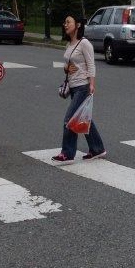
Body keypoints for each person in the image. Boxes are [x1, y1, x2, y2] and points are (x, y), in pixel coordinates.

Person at [52, 14, 106, 163]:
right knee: (84, 119)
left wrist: (92, 84)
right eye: (65, 22)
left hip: (83, 86)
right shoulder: (69, 44)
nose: (65, 24)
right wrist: (66, 68)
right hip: (73, 86)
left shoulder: (85, 43)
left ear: (78, 25)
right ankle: (97, 149)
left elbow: (91, 65)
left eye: (68, 22)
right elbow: (68, 66)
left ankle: (67, 154)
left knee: (69, 119)